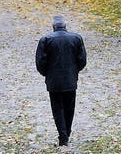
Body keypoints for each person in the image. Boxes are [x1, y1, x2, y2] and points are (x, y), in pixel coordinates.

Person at [35, 14, 87, 147]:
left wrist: (47, 74)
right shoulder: (76, 38)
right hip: (70, 79)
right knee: (70, 107)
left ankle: (63, 136)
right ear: (65, 26)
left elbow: (40, 62)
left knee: (57, 108)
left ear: (53, 26)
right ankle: (67, 133)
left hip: (54, 81)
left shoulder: (45, 40)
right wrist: (74, 71)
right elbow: (82, 60)